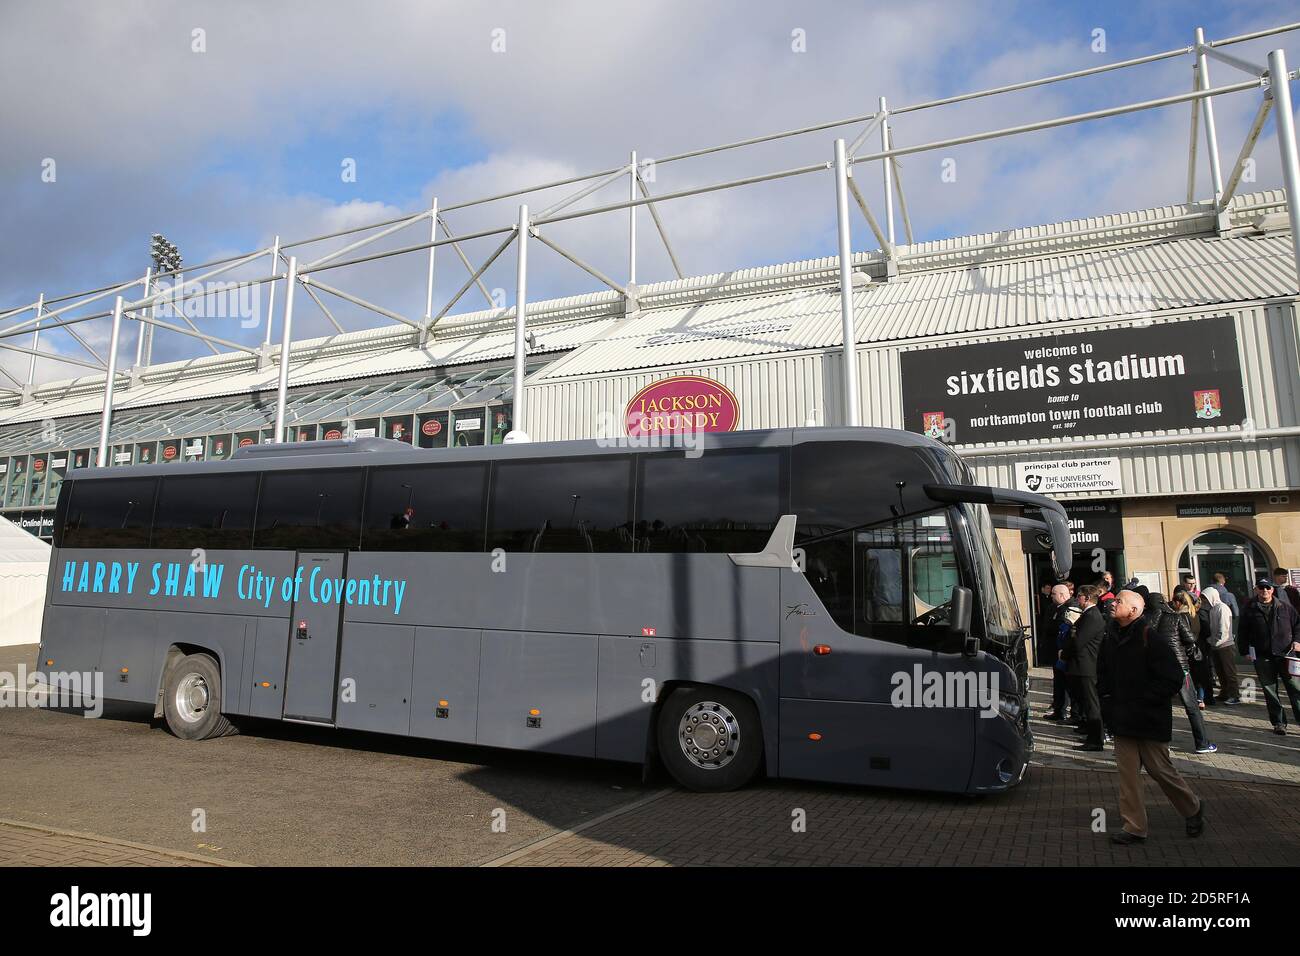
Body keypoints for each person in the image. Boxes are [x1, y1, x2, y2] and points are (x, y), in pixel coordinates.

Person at [1097, 590, 1206, 844]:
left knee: (1160, 770)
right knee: (1128, 776)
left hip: (1148, 718)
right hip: (1122, 718)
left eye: (1119, 601)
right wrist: (1106, 698)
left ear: (1134, 610)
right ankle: (1134, 827)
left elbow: (1173, 677)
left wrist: (1144, 698)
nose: (1113, 604)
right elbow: (1103, 671)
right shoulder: (1111, 636)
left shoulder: (1150, 636)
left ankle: (1192, 807)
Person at [1149, 591, 1216, 753]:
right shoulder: (1175, 617)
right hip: (1179, 666)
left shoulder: (1147, 621)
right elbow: (1190, 639)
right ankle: (1202, 743)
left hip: (1159, 668)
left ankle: (1162, 743)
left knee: (1162, 707)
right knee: (1191, 706)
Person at [1238, 577, 1300, 735]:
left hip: (1286, 654)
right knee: (1270, 691)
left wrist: (1297, 641)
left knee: (1295, 689)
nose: (1264, 590)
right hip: (1262, 655)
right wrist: (1244, 651)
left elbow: (1298, 625)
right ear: (1256, 590)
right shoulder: (1249, 609)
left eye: (1267, 588)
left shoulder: (1284, 607)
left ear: (1272, 590)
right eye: (1261, 588)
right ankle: (1279, 723)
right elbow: (1242, 631)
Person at [1064, 584, 1106, 750]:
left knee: (1091, 704)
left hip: (1086, 665)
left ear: (1087, 598)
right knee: (1084, 701)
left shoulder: (1092, 616)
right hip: (1081, 665)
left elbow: (1078, 641)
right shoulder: (1088, 615)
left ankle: (1095, 740)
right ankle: (1089, 730)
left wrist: (1065, 652)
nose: (1077, 599)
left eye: (1079, 596)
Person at [1044, 584, 1079, 721]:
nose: (1051, 596)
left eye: (1054, 594)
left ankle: (1073, 714)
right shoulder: (1054, 607)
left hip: (1064, 652)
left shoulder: (1071, 608)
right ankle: (1059, 710)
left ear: (1062, 595)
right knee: (1059, 682)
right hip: (1055, 650)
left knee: (1068, 683)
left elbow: (1061, 628)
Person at [1201, 587, 1240, 704]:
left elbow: (1224, 629)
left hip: (1225, 645)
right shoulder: (1213, 609)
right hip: (1216, 645)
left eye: (1205, 598)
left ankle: (1234, 695)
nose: (1204, 601)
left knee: (1229, 671)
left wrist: (1214, 641)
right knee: (1220, 671)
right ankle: (1225, 693)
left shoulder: (1222, 608)